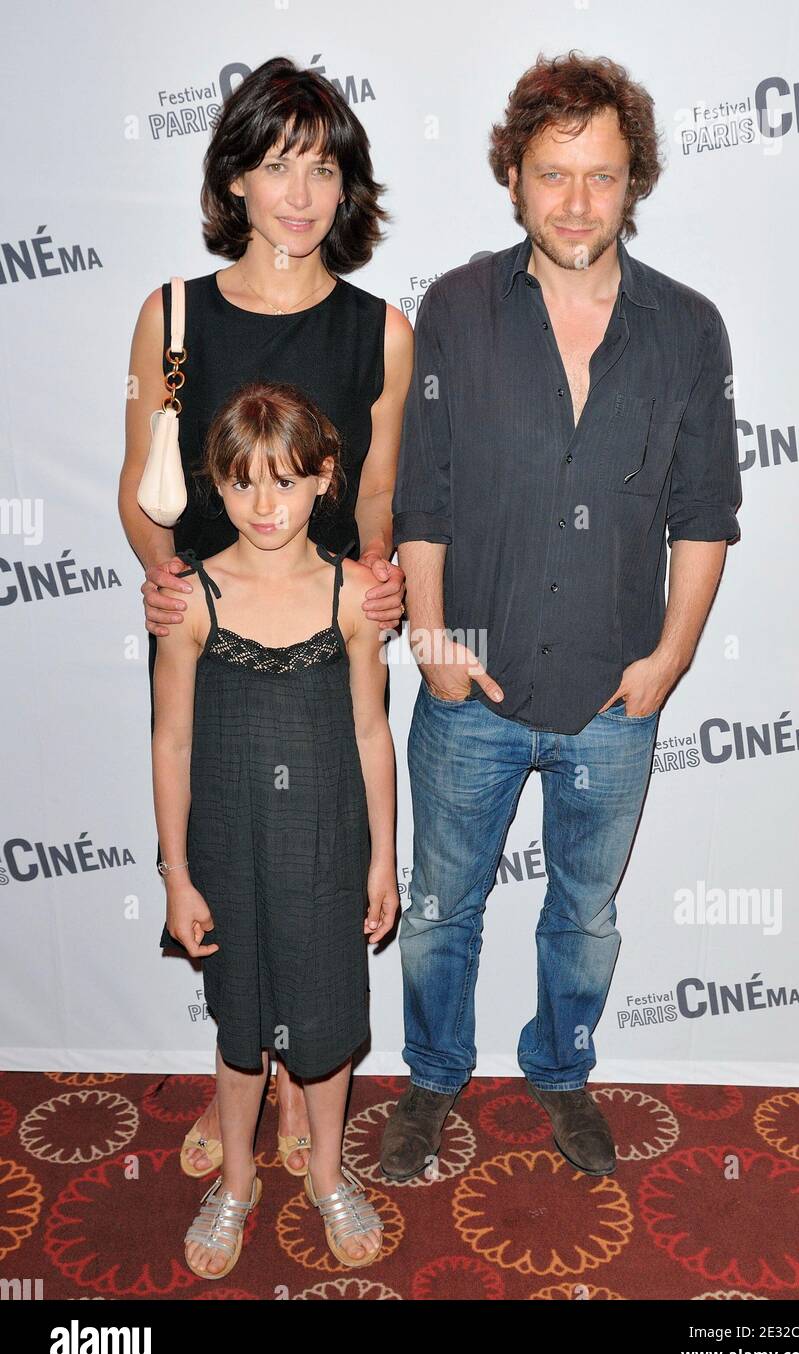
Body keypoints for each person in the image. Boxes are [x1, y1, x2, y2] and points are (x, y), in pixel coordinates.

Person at [383, 51, 742, 1180]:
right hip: (470, 687)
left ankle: (559, 1071)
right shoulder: (452, 308)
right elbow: (422, 494)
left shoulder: (687, 330)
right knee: (441, 910)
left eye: (599, 174)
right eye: (552, 174)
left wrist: (671, 658)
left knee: (582, 917)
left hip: (610, 696)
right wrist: (432, 642)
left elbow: (704, 512)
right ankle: (432, 1078)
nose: (576, 201)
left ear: (631, 180)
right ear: (512, 178)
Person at [118, 56, 412, 1179]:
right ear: (233, 177)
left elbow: (377, 496)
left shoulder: (381, 331)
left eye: (323, 168)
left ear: (347, 190)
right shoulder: (172, 315)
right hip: (206, 632)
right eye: (278, 165)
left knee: (318, 866)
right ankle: (243, 1071)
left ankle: (298, 1084)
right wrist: (163, 577)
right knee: (225, 854)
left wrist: (377, 576)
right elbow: (139, 480)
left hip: (327, 636)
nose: (300, 192)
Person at [153, 380, 399, 1275]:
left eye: (287, 482)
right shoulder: (189, 602)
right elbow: (171, 741)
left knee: (326, 1023)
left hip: (328, 849)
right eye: (245, 483)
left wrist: (383, 862)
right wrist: (176, 875)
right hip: (226, 849)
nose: (266, 505)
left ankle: (329, 1176)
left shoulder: (351, 598)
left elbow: (373, 733)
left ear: (325, 480)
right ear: (216, 485)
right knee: (238, 1025)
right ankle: (238, 1181)